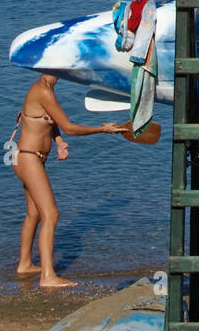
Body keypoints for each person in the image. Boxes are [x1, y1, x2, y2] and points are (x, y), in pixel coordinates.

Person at [11, 73, 123, 288]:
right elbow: (70, 127)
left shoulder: (46, 89)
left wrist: (59, 142)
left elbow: (51, 121)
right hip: (28, 157)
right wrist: (102, 129)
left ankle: (25, 264)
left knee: (34, 213)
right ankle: (48, 277)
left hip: (29, 157)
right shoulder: (43, 90)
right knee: (51, 214)